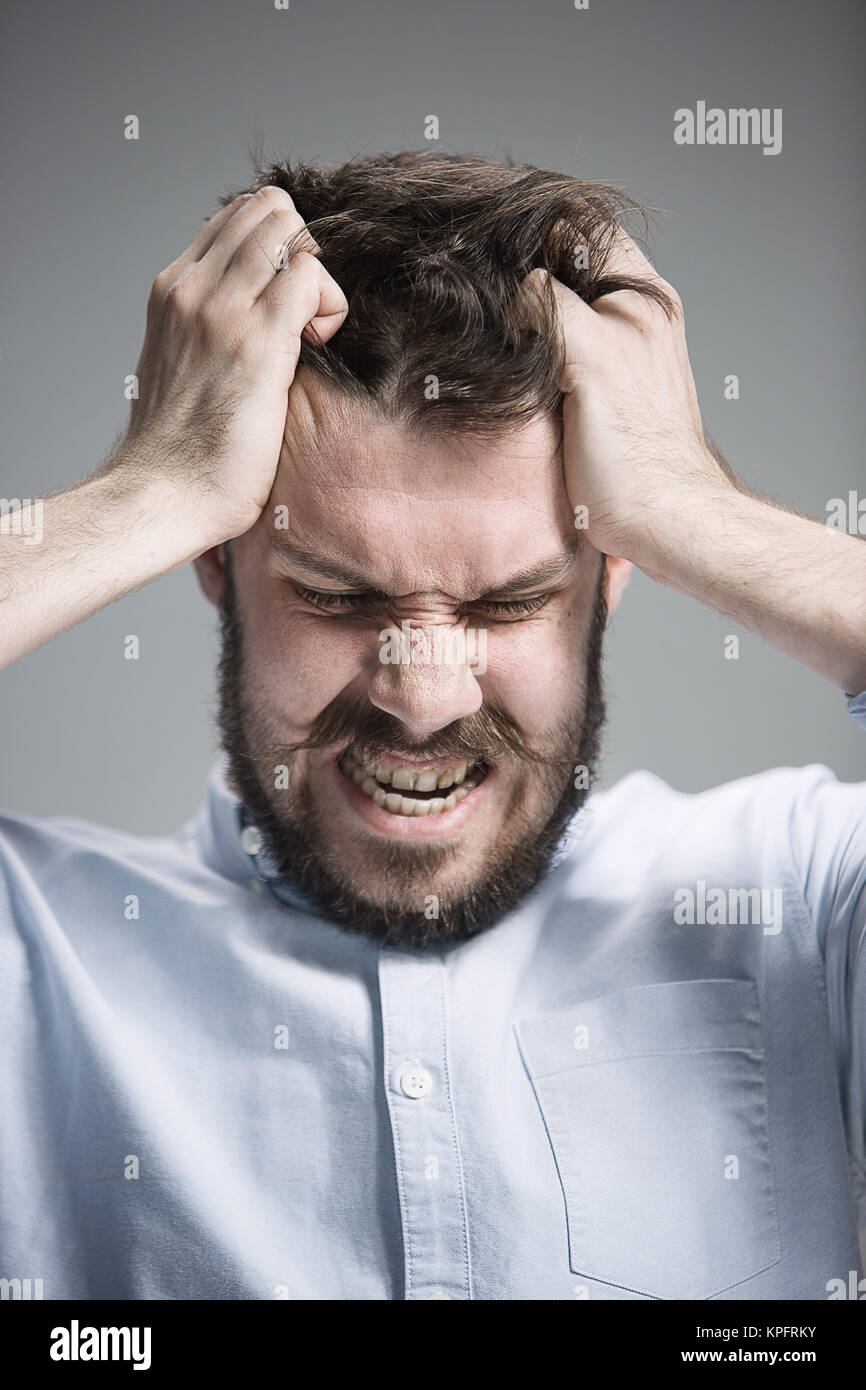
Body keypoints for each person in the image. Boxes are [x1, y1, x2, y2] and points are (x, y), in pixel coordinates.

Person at [1, 151, 863, 1301]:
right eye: (337, 595)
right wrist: (150, 489)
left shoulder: (804, 899)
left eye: (507, 602)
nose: (424, 696)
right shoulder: (33, 960)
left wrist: (691, 501)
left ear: (615, 571)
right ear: (213, 558)